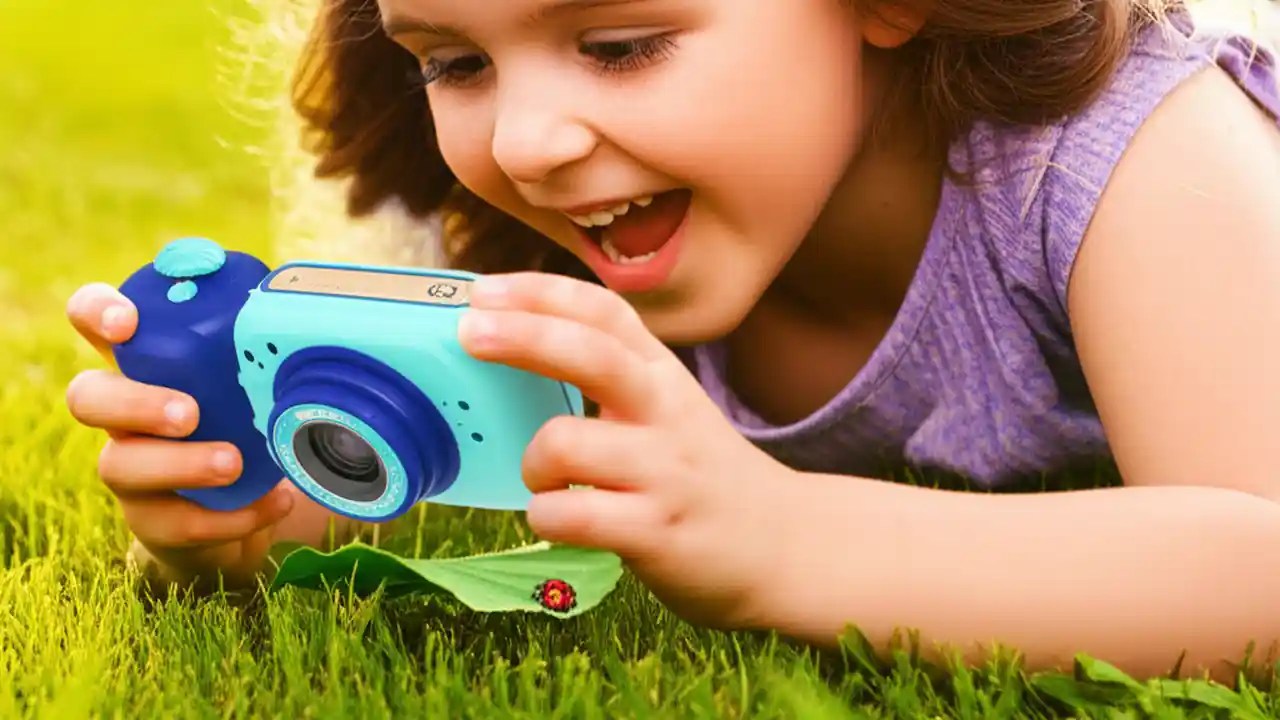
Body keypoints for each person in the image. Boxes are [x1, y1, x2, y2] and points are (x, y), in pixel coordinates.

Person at [65, 0, 1280, 683]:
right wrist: (249, 516)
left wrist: (778, 534)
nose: (526, 140)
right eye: (454, 62)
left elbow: (1261, 567)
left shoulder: (1126, 152)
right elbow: (386, 455)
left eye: (618, 45)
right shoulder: (506, 217)